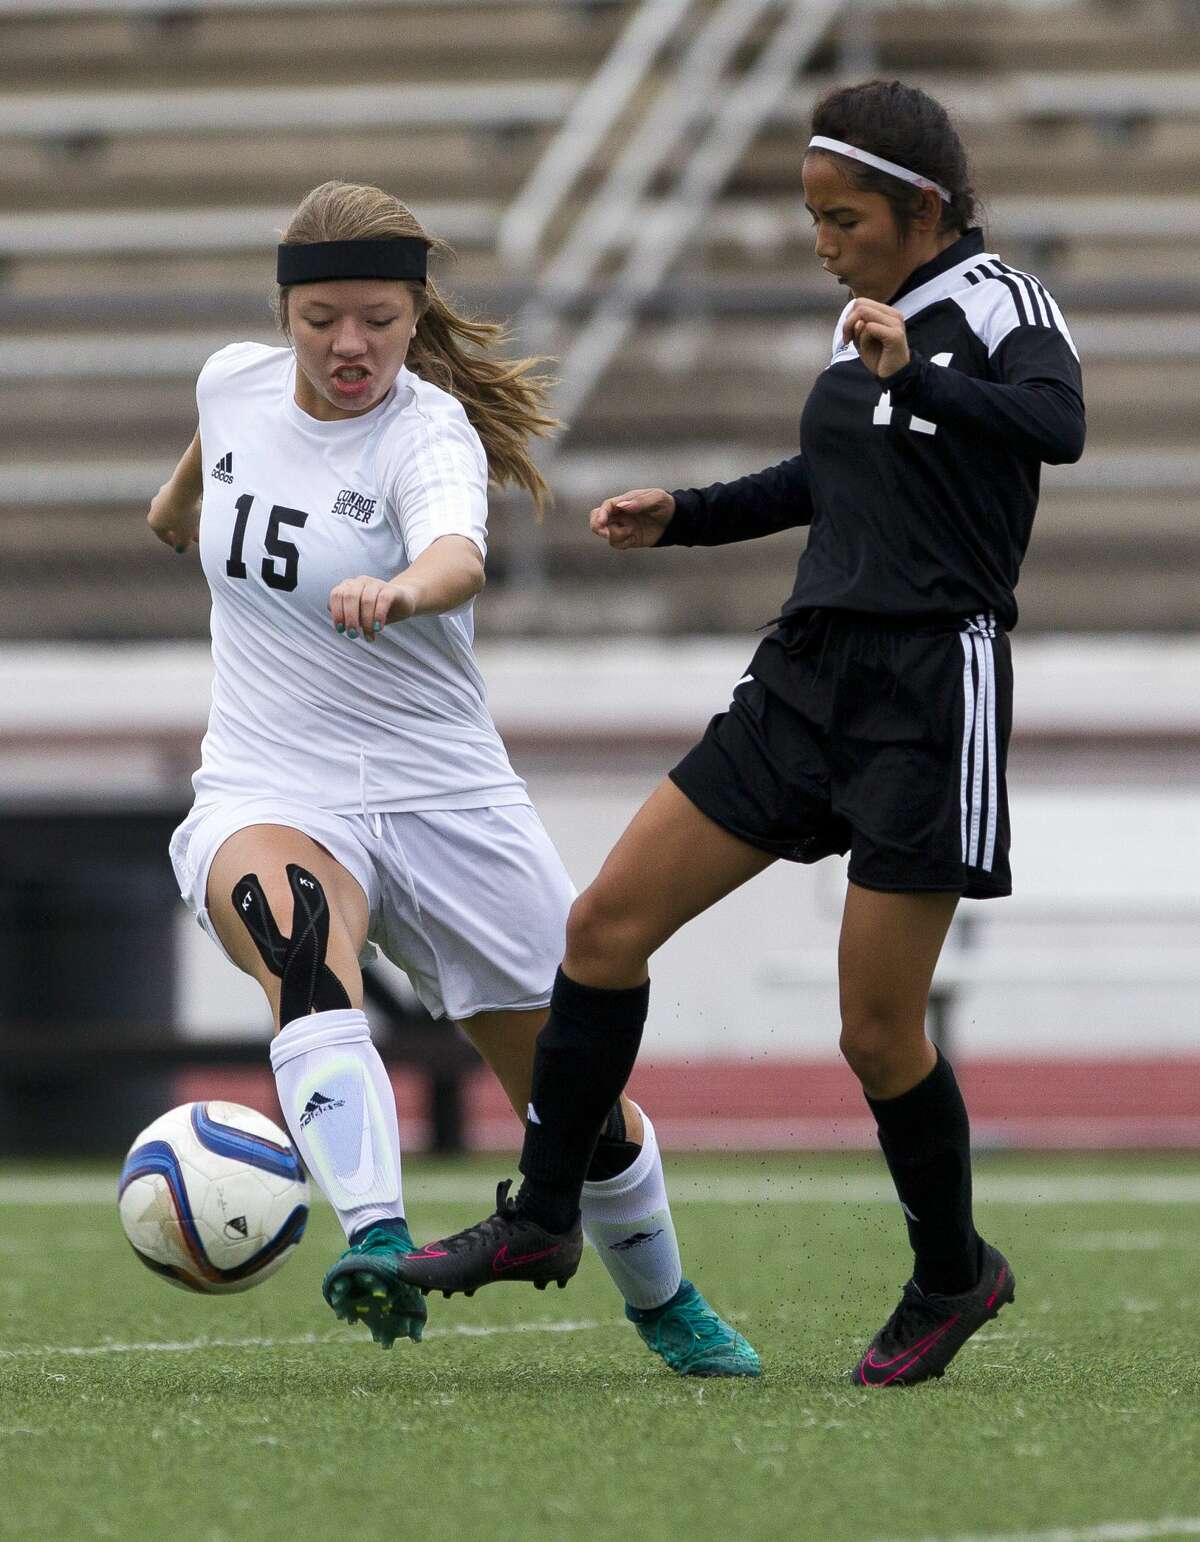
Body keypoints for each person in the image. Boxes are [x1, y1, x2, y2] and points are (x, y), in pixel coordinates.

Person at [394, 81, 1086, 1388]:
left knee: (877, 1031)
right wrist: (691, 514)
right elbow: (836, 477)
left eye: (843, 219)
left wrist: (919, 374)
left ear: (923, 208)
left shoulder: (999, 304)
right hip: (807, 675)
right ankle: (545, 1212)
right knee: (604, 928)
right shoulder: (867, 324)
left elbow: (1061, 425)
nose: (821, 243)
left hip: (930, 691)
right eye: (814, 217)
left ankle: (955, 1272)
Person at [147, 180, 758, 1377]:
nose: (351, 345)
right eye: (322, 319)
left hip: (444, 799)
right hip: (272, 782)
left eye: (379, 319)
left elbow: (457, 557)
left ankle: (666, 1301)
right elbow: (198, 484)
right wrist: (177, 514)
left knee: (576, 1104)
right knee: (299, 939)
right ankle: (378, 1237)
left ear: (416, 313)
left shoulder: (427, 434)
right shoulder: (230, 384)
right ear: (283, 314)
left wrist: (402, 591)